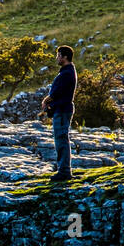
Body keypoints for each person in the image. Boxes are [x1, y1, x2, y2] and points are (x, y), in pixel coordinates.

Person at [41, 46, 77, 182]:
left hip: (62, 110)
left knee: (61, 140)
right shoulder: (68, 72)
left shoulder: (66, 73)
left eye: (58, 55)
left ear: (64, 57)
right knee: (62, 139)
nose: (57, 58)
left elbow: (56, 93)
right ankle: (63, 170)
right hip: (62, 109)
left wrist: (46, 100)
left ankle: (64, 171)